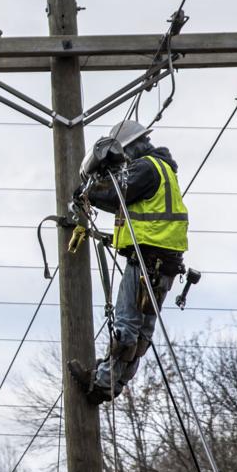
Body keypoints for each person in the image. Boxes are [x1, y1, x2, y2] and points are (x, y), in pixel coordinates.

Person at [68, 120, 189, 404]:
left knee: (126, 326)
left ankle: (103, 383)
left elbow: (114, 193)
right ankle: (113, 382)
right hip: (165, 262)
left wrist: (86, 192)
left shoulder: (146, 167)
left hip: (148, 259)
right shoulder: (161, 168)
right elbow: (119, 201)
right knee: (140, 331)